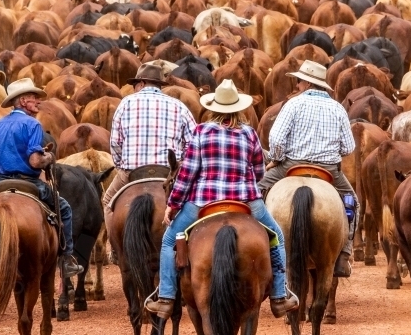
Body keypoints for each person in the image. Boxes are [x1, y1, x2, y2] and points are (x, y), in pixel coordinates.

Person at [145, 79, 299, 320]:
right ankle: (279, 296)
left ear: (214, 108)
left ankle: (165, 298)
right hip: (246, 200)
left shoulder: (200, 132)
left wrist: (173, 206)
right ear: (238, 108)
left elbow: (186, 174)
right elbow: (259, 172)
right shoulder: (249, 133)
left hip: (203, 201)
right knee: (277, 237)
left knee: (167, 242)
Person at [257, 60, 357, 278]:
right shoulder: (338, 108)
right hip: (328, 169)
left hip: (291, 166)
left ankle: (259, 249)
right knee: (352, 201)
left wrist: (276, 158)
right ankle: (344, 255)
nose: (297, 84)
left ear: (306, 83)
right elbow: (349, 147)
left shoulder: (293, 104)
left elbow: (276, 138)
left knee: (256, 193)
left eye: (299, 80)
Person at [0, 78, 84, 279]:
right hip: (28, 182)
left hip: (0, 183)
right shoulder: (32, 124)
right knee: (65, 209)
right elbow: (35, 162)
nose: (38, 102)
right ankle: (67, 259)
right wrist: (49, 157)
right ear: (23, 101)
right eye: (33, 98)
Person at [102, 63, 196, 231]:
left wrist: (121, 166)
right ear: (159, 85)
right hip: (168, 172)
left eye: (134, 85)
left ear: (142, 83)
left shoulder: (125, 103)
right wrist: (179, 164)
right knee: (194, 204)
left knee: (107, 202)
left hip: (133, 171)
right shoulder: (178, 106)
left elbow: (115, 142)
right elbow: (194, 143)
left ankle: (113, 248)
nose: (133, 89)